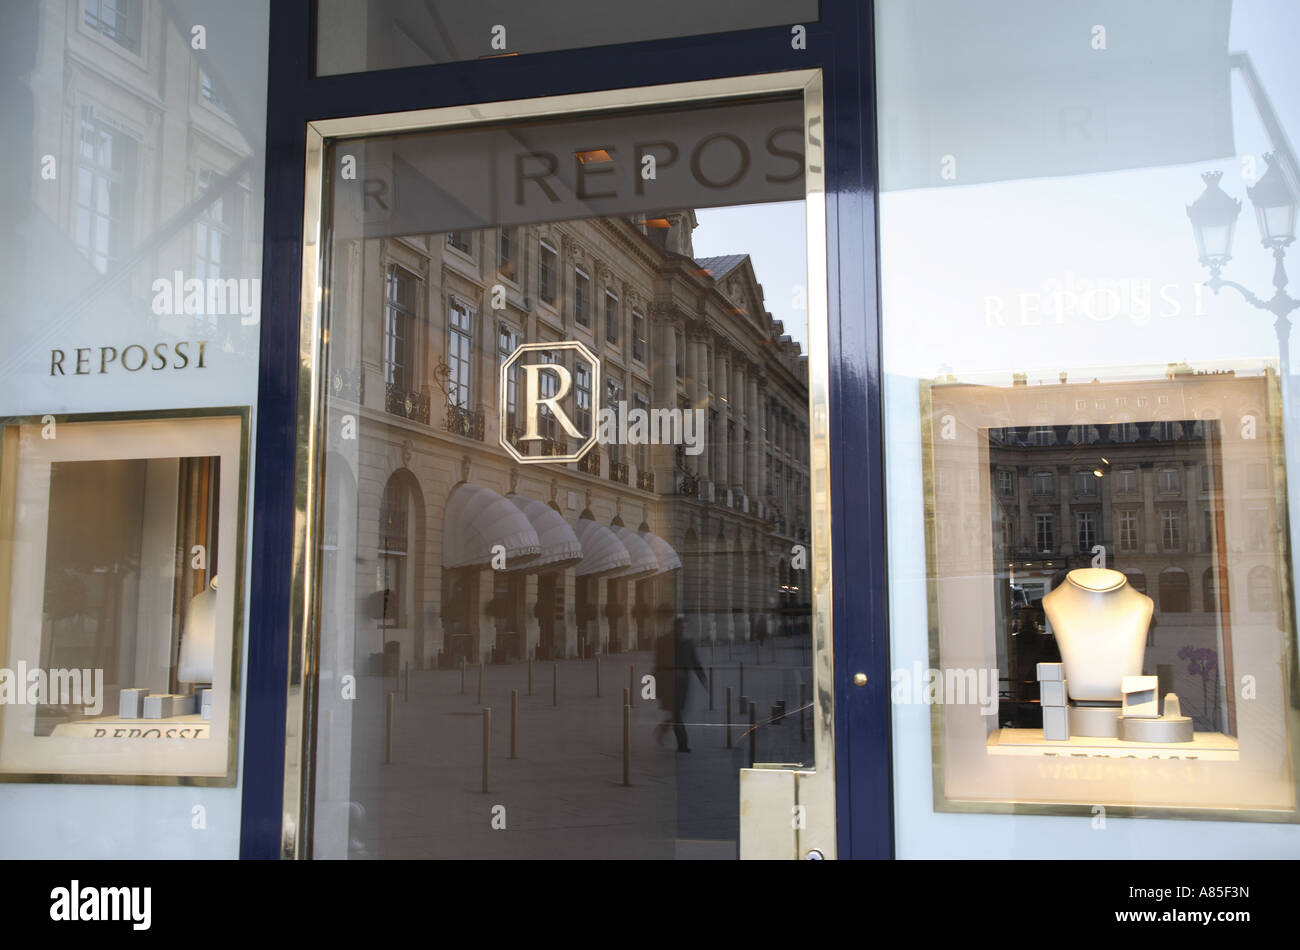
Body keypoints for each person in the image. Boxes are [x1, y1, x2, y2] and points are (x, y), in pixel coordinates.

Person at [653, 617, 708, 752]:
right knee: (677, 713)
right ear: (675, 627)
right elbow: (658, 662)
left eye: (683, 628)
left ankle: (662, 729)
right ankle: (683, 744)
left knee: (678, 712)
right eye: (680, 627)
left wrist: (703, 678)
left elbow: (695, 662)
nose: (682, 630)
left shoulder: (688, 643)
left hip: (683, 684)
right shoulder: (664, 641)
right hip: (668, 683)